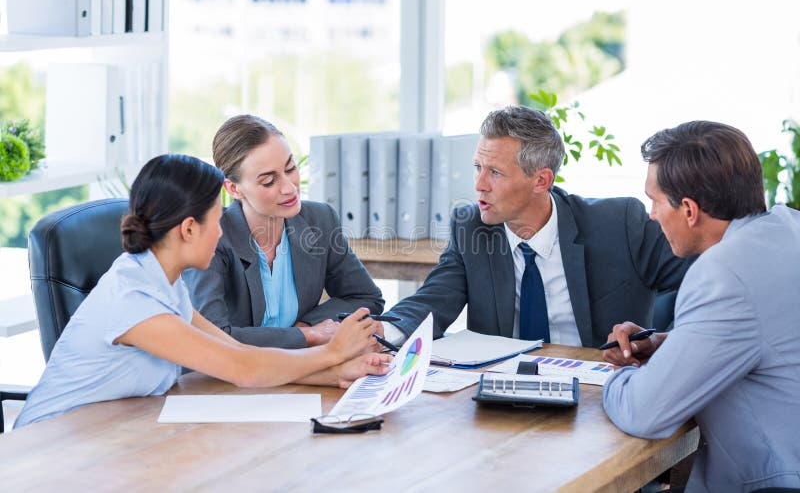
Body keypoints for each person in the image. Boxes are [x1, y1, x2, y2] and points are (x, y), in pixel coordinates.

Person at [15, 154, 389, 428]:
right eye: (216, 220)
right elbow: (244, 369)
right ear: (189, 228)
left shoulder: (164, 283)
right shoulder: (134, 301)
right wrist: (332, 352)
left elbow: (237, 353)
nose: (223, 232)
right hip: (48, 448)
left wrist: (336, 373)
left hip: (109, 433)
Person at [382, 105, 690, 347]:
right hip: (502, 395)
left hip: (596, 390)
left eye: (495, 173)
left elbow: (705, 279)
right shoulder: (471, 226)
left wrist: (663, 343)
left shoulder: (619, 223)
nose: (479, 185)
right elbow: (433, 301)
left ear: (541, 180)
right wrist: (378, 330)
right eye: (477, 168)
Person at [602, 121, 800, 491]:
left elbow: (644, 413)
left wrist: (617, 377)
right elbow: (762, 335)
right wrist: (666, 344)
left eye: (655, 200)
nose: (650, 215)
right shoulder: (788, 228)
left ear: (689, 210)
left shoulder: (724, 272)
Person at [183, 115, 384, 349]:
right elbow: (211, 337)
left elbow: (365, 297)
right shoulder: (212, 239)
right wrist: (306, 337)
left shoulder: (320, 220)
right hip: (225, 380)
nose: (289, 188)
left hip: (300, 371)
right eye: (269, 181)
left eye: (290, 168)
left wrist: (307, 325)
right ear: (233, 188)